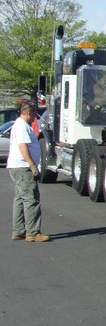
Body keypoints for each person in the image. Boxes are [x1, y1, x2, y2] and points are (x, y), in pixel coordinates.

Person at [7, 102, 50, 242]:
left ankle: (19, 231)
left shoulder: (20, 126)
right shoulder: (21, 127)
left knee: (20, 198)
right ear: (29, 112)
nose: (35, 119)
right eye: (34, 115)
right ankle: (33, 233)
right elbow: (23, 146)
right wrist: (32, 165)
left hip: (17, 166)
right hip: (22, 166)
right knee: (31, 198)